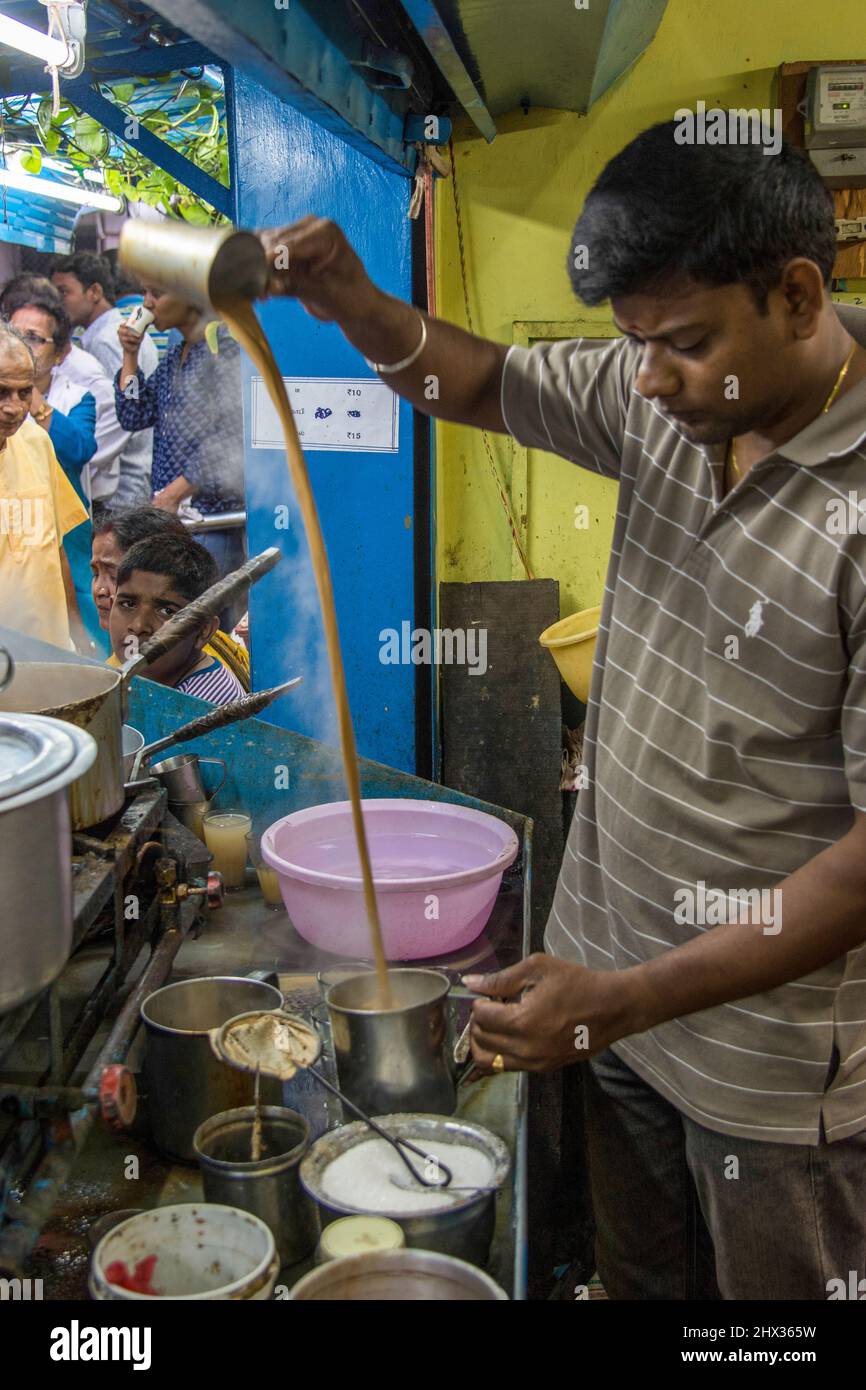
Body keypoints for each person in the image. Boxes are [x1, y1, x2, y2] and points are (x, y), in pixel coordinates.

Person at [261, 127, 866, 1301]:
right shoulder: (671, 396)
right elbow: (476, 382)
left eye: (682, 343)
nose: (644, 378)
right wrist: (353, 302)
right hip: (604, 980)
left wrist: (636, 994)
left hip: (770, 1066)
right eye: (631, 342)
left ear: (796, 293)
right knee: (636, 1281)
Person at [114, 285, 247, 629]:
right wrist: (130, 355)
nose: (147, 303)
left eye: (157, 292)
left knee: (210, 625)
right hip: (176, 522)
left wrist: (174, 493)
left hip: (214, 522)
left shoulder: (225, 352)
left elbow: (229, 439)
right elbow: (134, 413)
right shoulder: (175, 355)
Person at [92, 504, 250, 690]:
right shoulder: (136, 656)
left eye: (113, 576)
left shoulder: (173, 660)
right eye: (95, 573)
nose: (100, 590)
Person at [0, 320, 87, 649]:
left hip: (51, 656)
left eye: (24, 393)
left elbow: (57, 551)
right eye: (1, 392)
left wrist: (78, 638)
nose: (14, 408)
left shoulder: (36, 441)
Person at [52, 252, 158, 508]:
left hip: (123, 485)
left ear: (95, 291)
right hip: (135, 476)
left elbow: (123, 416)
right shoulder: (115, 331)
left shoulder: (104, 340)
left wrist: (84, 457)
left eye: (64, 292)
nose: (57, 302)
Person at [108, 532, 245, 703]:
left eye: (166, 611)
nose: (138, 626)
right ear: (110, 606)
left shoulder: (204, 704)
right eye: (128, 604)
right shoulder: (148, 678)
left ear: (203, 630)